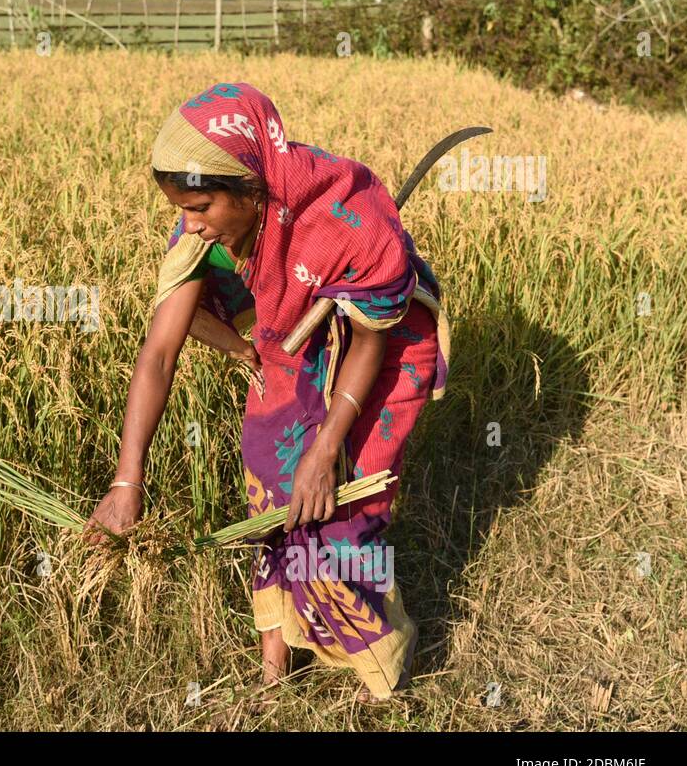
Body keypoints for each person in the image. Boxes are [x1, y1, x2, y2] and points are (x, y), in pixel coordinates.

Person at [84, 82, 451, 703]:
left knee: (339, 511)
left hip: (380, 344)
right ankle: (276, 665)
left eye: (200, 207)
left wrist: (326, 445)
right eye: (180, 208)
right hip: (293, 331)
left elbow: (369, 342)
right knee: (270, 485)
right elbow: (160, 352)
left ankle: (381, 669)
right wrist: (127, 481)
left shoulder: (348, 219)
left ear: (253, 191)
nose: (190, 224)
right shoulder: (201, 231)